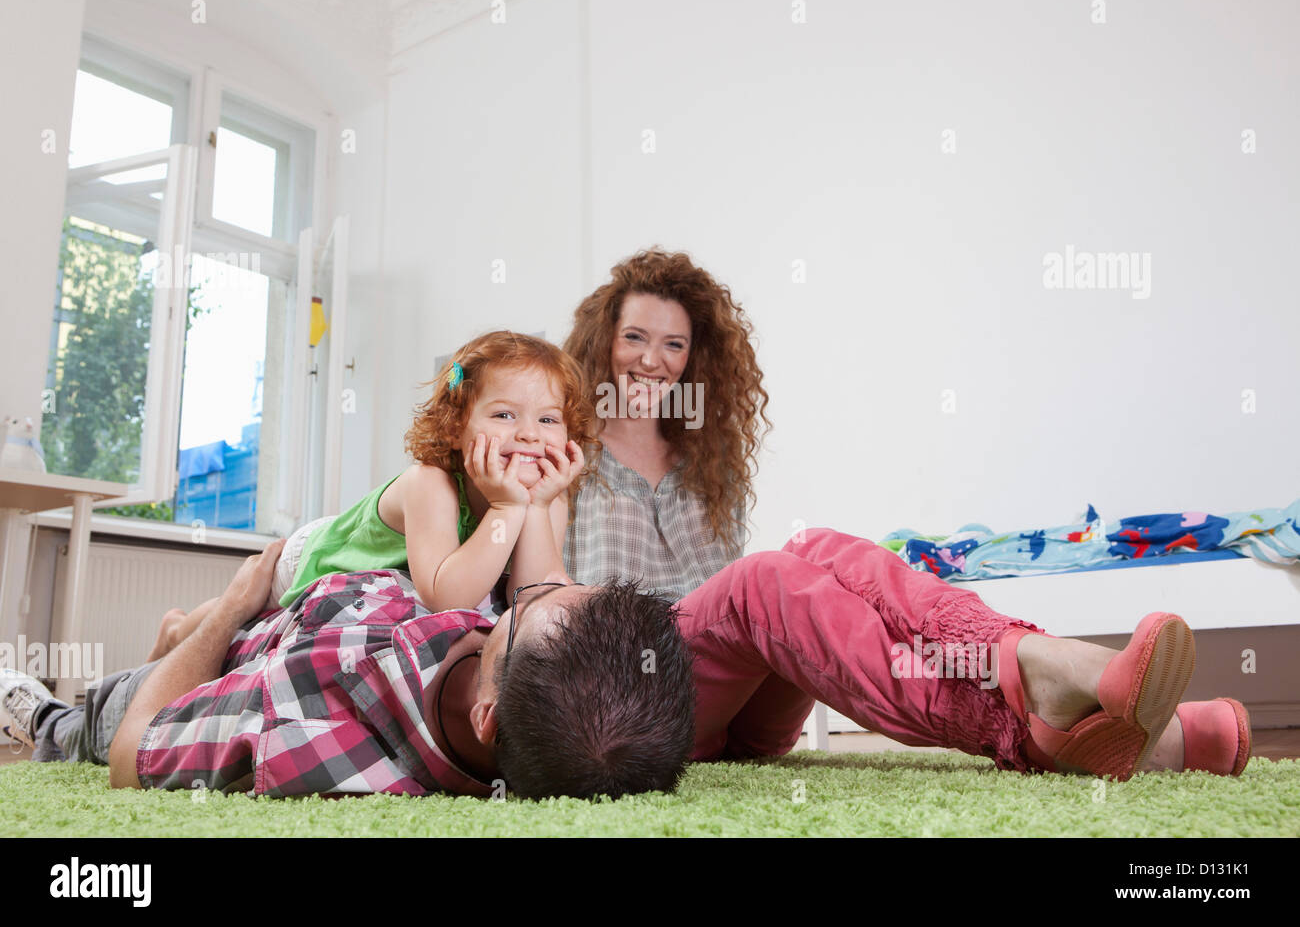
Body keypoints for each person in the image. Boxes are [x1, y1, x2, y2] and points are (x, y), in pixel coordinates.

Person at [1, 529, 1250, 799]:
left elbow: (140, 762)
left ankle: (1040, 679)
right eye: (534, 600)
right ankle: (1067, 704)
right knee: (75, 715)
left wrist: (229, 604)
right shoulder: (311, 716)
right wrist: (217, 619)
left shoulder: (524, 689)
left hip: (631, 703)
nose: (533, 587)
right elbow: (122, 750)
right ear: (488, 703)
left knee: (780, 574)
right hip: (218, 649)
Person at [148, 331, 593, 662]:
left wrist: (533, 507)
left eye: (549, 420)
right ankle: (177, 631)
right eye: (504, 414)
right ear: (457, 427)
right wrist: (508, 507)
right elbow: (448, 599)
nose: (530, 434)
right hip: (327, 550)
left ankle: (178, 628)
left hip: (400, 571)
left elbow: (529, 600)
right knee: (248, 611)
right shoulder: (430, 484)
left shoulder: (549, 498)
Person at [563, 249, 770, 601]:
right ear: (604, 340)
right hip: (602, 651)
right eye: (634, 337)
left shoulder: (714, 465)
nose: (650, 360)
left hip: (706, 651)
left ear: (694, 357)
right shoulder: (568, 452)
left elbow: (728, 600)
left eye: (673, 344)